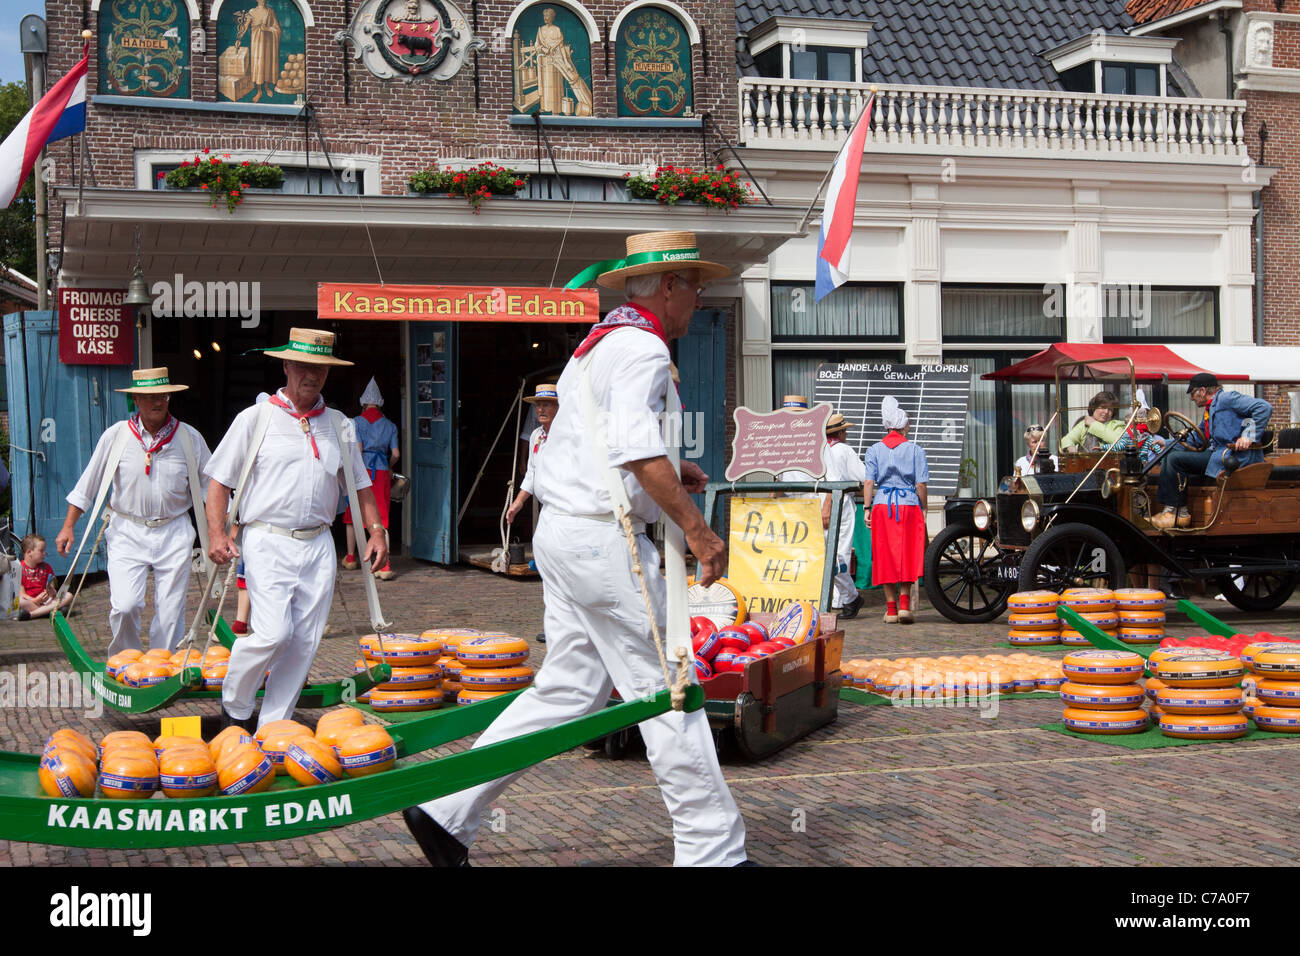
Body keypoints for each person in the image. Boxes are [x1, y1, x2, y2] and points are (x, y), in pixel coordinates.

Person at [404, 230, 749, 867]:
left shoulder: (599, 345)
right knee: (668, 688)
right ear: (668, 286)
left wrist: (676, 469)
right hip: (603, 539)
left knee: (568, 688)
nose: (701, 297)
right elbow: (636, 452)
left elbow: (599, 442)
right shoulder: (644, 348)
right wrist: (698, 530)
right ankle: (713, 854)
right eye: (695, 285)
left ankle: (447, 809)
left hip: (564, 533)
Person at [204, 329, 388, 731]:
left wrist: (376, 531)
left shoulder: (340, 424)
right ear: (286, 366)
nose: (313, 375)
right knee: (272, 633)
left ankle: (274, 728)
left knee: (304, 642)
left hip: (319, 543)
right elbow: (217, 480)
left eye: (321, 368)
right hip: (268, 539)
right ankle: (234, 710)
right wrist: (217, 535)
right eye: (304, 366)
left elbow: (358, 485)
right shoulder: (256, 418)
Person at [55, 368, 211, 656]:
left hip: (174, 528)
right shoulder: (116, 436)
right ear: (136, 399)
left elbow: (211, 489)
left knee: (171, 609)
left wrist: (221, 531)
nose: (157, 402)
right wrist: (68, 527)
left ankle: (162, 664)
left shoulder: (189, 438)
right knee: (124, 605)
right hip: (127, 530)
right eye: (150, 397)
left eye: (162, 396)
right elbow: (87, 485)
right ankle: (126, 660)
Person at [1152, 372, 1272, 530]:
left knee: (1175, 459)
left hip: (1233, 456)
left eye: (1193, 393)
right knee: (1171, 456)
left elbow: (1264, 407)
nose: (1191, 398)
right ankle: (1174, 510)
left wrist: (1248, 437)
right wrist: (1167, 443)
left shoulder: (1226, 399)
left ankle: (1178, 513)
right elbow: (1197, 436)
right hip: (1217, 455)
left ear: (1202, 391)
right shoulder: (1210, 409)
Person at [862, 396, 928, 624]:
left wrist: (867, 508)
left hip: (882, 505)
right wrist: (924, 507)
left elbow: (869, 482)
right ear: (902, 426)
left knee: (884, 554)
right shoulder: (915, 450)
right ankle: (904, 606)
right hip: (908, 505)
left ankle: (890, 610)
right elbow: (920, 484)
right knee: (908, 553)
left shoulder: (873, 450)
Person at [342, 377, 400, 581]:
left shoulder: (355, 422)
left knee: (353, 515)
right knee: (382, 519)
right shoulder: (390, 425)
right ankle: (385, 566)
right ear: (380, 403)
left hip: (362, 471)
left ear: (363, 403)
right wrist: (389, 466)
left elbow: (356, 450)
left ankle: (350, 558)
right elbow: (396, 454)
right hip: (382, 472)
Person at [822, 412, 866, 619]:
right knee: (842, 549)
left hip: (818, 501)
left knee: (826, 550)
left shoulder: (819, 450)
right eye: (845, 430)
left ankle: (834, 597)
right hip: (841, 501)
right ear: (840, 432)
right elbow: (863, 476)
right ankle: (843, 598)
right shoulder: (844, 450)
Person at [505, 383, 558, 525]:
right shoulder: (536, 435)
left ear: (559, 408)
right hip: (547, 509)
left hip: (566, 509)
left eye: (546, 405)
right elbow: (532, 473)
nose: (540, 409)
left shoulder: (567, 436)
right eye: (538, 405)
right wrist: (518, 502)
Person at [16, 534, 72, 620]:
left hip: (48, 601)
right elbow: (22, 594)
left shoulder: (47, 567)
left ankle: (33, 614)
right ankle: (50, 611)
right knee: (20, 601)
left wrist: (51, 591)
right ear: (29, 552)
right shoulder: (19, 568)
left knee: (68, 595)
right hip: (32, 602)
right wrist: (35, 600)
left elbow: (53, 590)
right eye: (41, 551)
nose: (44, 553)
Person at [235, 0, 282, 103]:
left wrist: (268, 28)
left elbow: (278, 29)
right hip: (257, 44)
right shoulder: (252, 12)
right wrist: (239, 39)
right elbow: (244, 28)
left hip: (268, 44)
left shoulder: (270, 11)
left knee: (267, 65)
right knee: (258, 65)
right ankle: (259, 91)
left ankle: (266, 87)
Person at [1059, 391, 1126, 453]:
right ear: (1094, 407)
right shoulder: (1083, 425)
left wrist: (1094, 425)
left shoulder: (1118, 425)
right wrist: (1074, 453)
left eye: (1110, 409)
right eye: (1103, 407)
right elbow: (1065, 440)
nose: (1106, 412)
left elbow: (1119, 441)